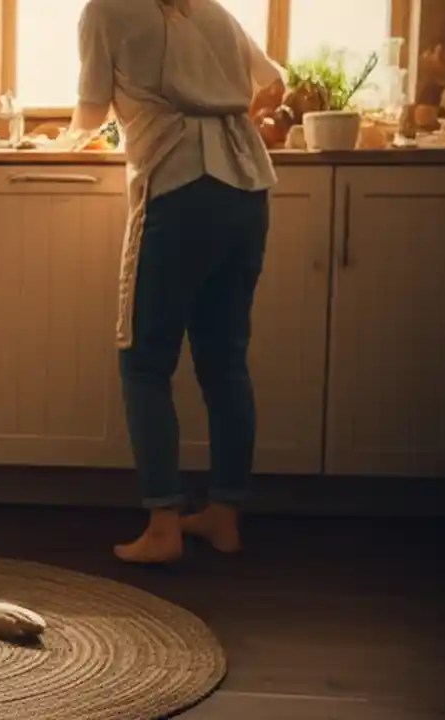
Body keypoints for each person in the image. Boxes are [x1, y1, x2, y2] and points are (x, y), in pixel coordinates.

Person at [68, 0, 285, 563]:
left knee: (144, 362)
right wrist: (232, 112)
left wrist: (53, 139)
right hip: (247, 187)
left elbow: (91, 114)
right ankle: (224, 517)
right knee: (224, 360)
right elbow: (276, 83)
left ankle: (163, 526)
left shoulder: (105, 11)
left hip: (180, 183)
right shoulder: (213, 11)